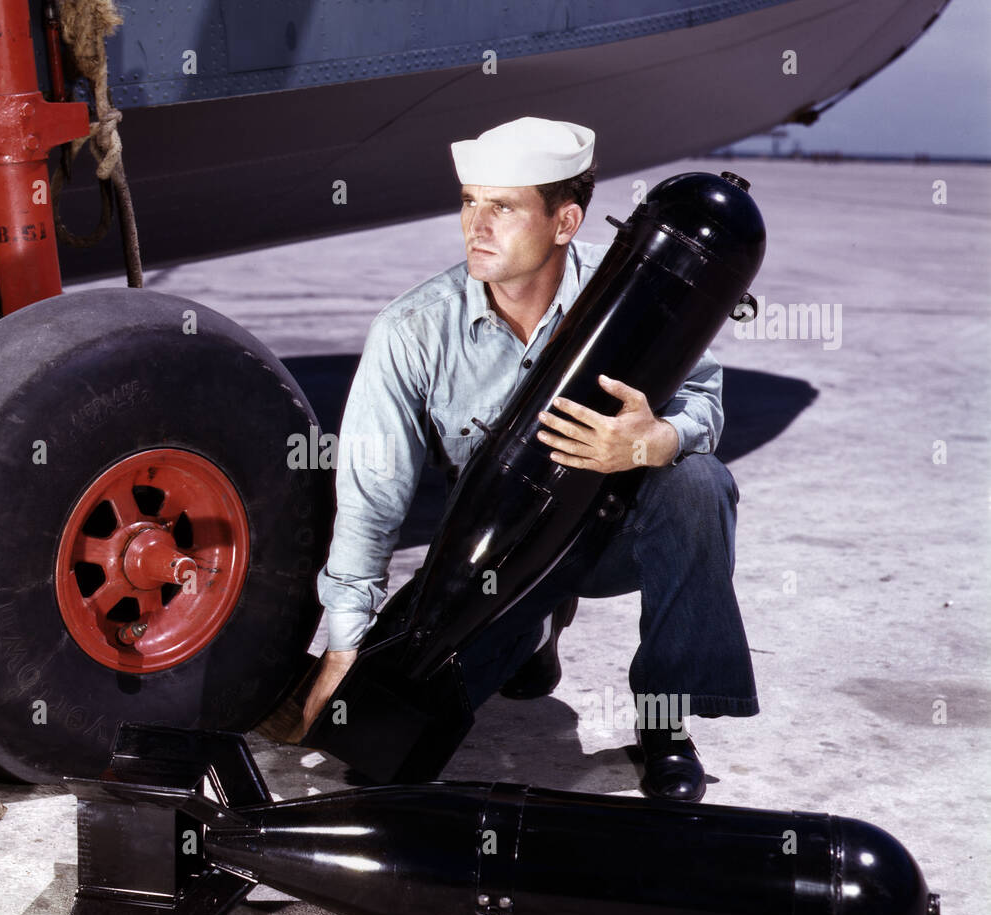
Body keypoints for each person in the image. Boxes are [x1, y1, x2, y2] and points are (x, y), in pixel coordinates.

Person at [302, 117, 758, 801]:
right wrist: (344, 646)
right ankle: (536, 630)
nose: (475, 225)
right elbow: (371, 493)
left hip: (613, 525)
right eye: (469, 201)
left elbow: (705, 403)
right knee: (379, 759)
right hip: (501, 551)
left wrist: (652, 441)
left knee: (697, 484)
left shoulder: (637, 291)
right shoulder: (413, 331)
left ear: (566, 220)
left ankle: (664, 725)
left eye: (503, 206)